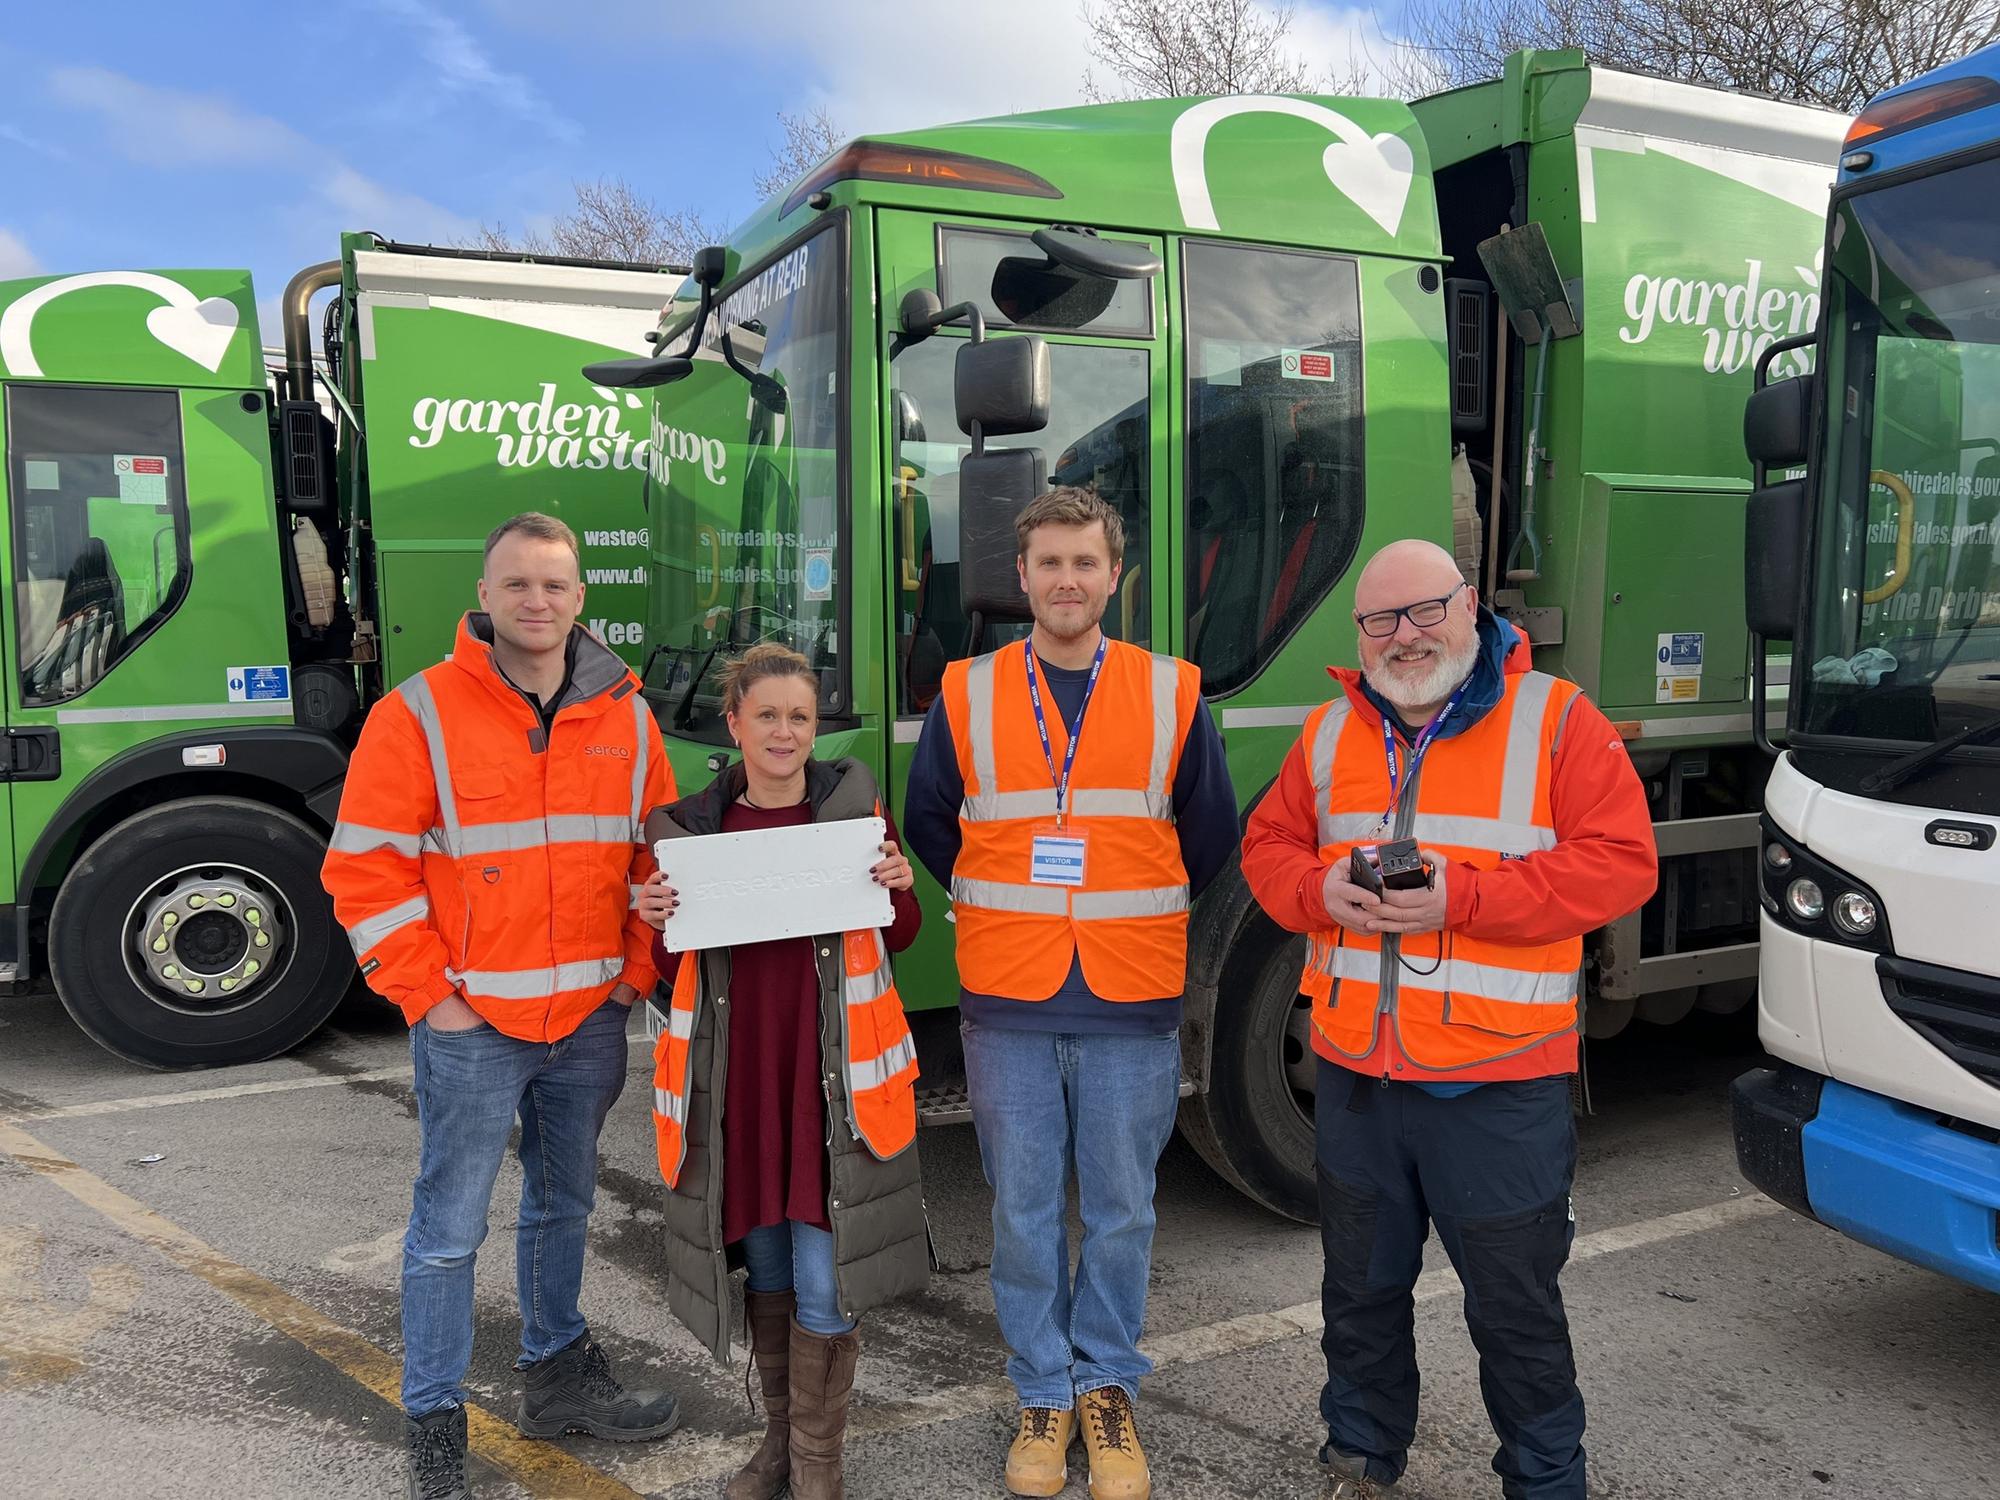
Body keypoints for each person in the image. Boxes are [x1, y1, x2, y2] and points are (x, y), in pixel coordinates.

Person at [1239, 539, 1658, 1500]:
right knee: (1359, 1297)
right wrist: (1318, 889)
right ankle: (1359, 1455)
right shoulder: (1329, 734)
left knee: (1514, 1311)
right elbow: (1267, 848)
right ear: (1359, 635)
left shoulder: (1557, 721)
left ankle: (1547, 1481)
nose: (1406, 635)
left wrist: (1460, 899)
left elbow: (1622, 863)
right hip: (1356, 1079)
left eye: (1426, 610)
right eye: (1381, 619)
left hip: (1501, 1085)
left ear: (1469, 605)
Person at [323, 512, 681, 1500]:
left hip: (587, 1023)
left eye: (554, 586)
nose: (536, 602)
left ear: (578, 598)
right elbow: (364, 872)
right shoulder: (419, 714)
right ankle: (434, 1415)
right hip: (472, 1029)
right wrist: (428, 997)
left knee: (564, 1206)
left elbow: (656, 859)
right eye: (516, 585)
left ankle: (556, 1376)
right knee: (447, 1230)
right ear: (483, 597)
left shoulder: (626, 715)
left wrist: (631, 970)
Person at [904, 486, 1238, 1500]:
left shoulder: (1172, 691)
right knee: (1021, 1210)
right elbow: (931, 824)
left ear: (1112, 573)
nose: (1065, 580)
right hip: (1009, 998)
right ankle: (1040, 1393)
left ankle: (1105, 1386)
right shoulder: (965, 692)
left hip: (1129, 999)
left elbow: (1209, 834)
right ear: (1023, 576)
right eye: (1048, 562)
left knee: (1125, 1209)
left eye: (1084, 563)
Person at [637, 642, 929, 1500]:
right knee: (765, 1269)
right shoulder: (690, 831)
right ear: (733, 724)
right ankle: (779, 1447)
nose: (783, 731)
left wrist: (899, 882)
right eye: (765, 714)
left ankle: (819, 1467)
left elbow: (900, 933)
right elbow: (670, 956)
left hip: (827, 1082)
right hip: (739, 1084)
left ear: (816, 727)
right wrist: (654, 912)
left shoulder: (854, 812)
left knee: (821, 1279)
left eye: (799, 716)